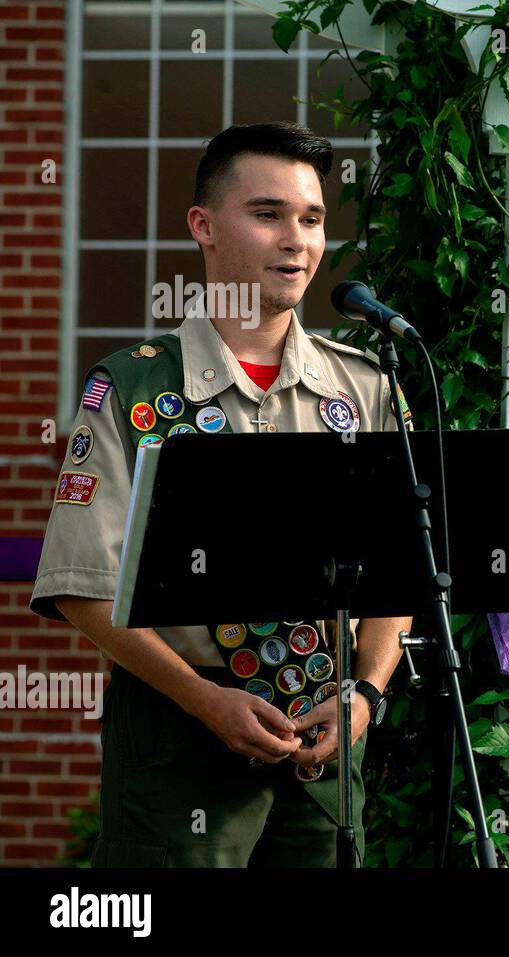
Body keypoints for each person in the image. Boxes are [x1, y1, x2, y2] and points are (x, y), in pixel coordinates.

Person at [30, 122, 415, 867]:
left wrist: (366, 694)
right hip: (180, 740)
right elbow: (83, 584)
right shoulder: (133, 386)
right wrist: (205, 700)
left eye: (312, 218)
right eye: (268, 214)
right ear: (203, 226)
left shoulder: (364, 389)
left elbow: (393, 577)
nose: (296, 239)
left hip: (322, 748)